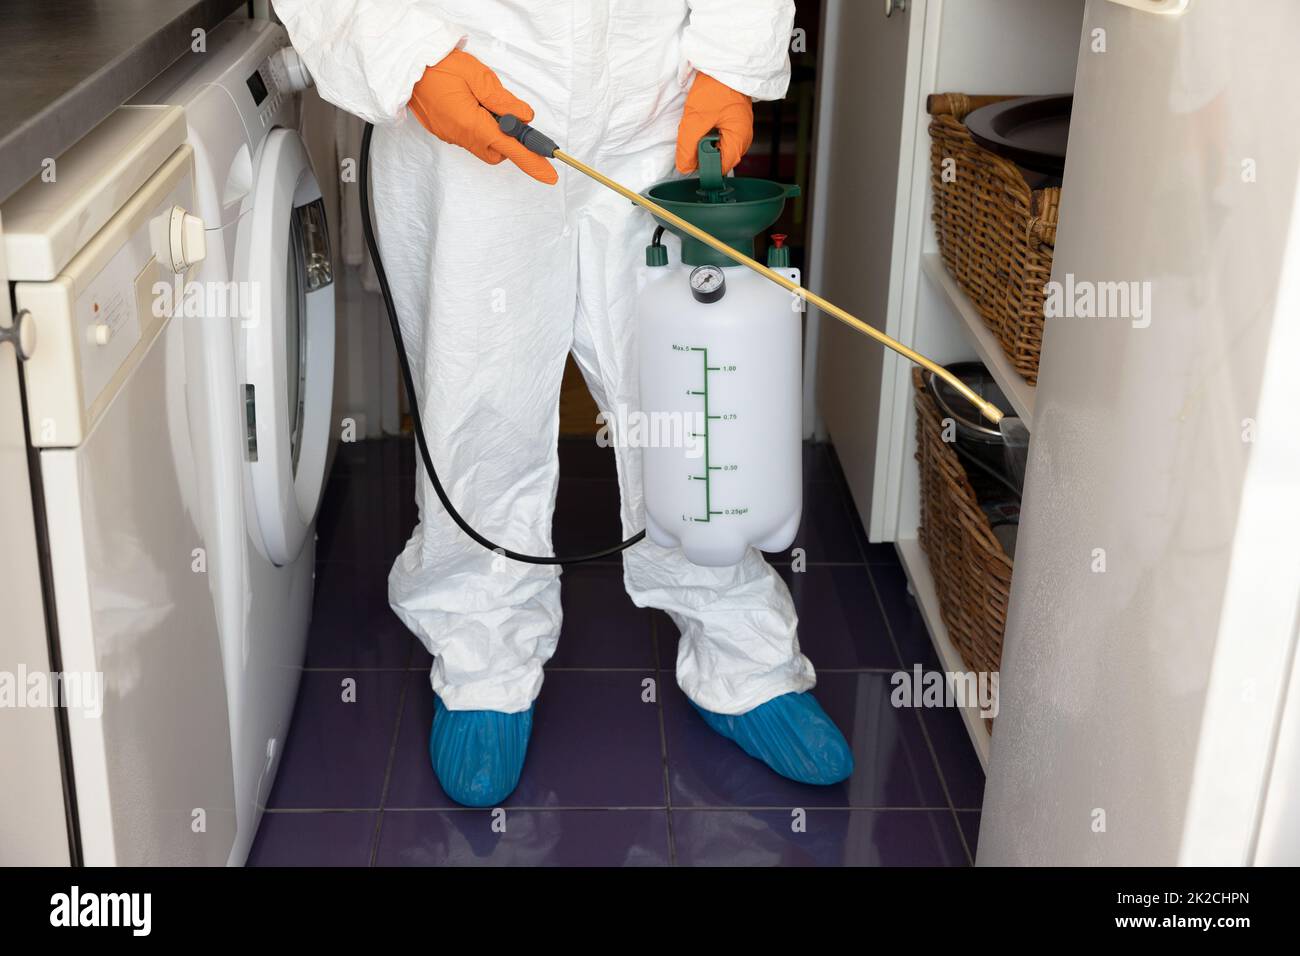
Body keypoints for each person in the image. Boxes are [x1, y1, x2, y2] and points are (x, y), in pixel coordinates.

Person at [273, 0, 853, 807]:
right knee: (479, 401)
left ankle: (742, 653)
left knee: (689, 398)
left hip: (655, 97)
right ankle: (482, 654)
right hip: (473, 89)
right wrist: (408, 55)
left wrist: (732, 58)